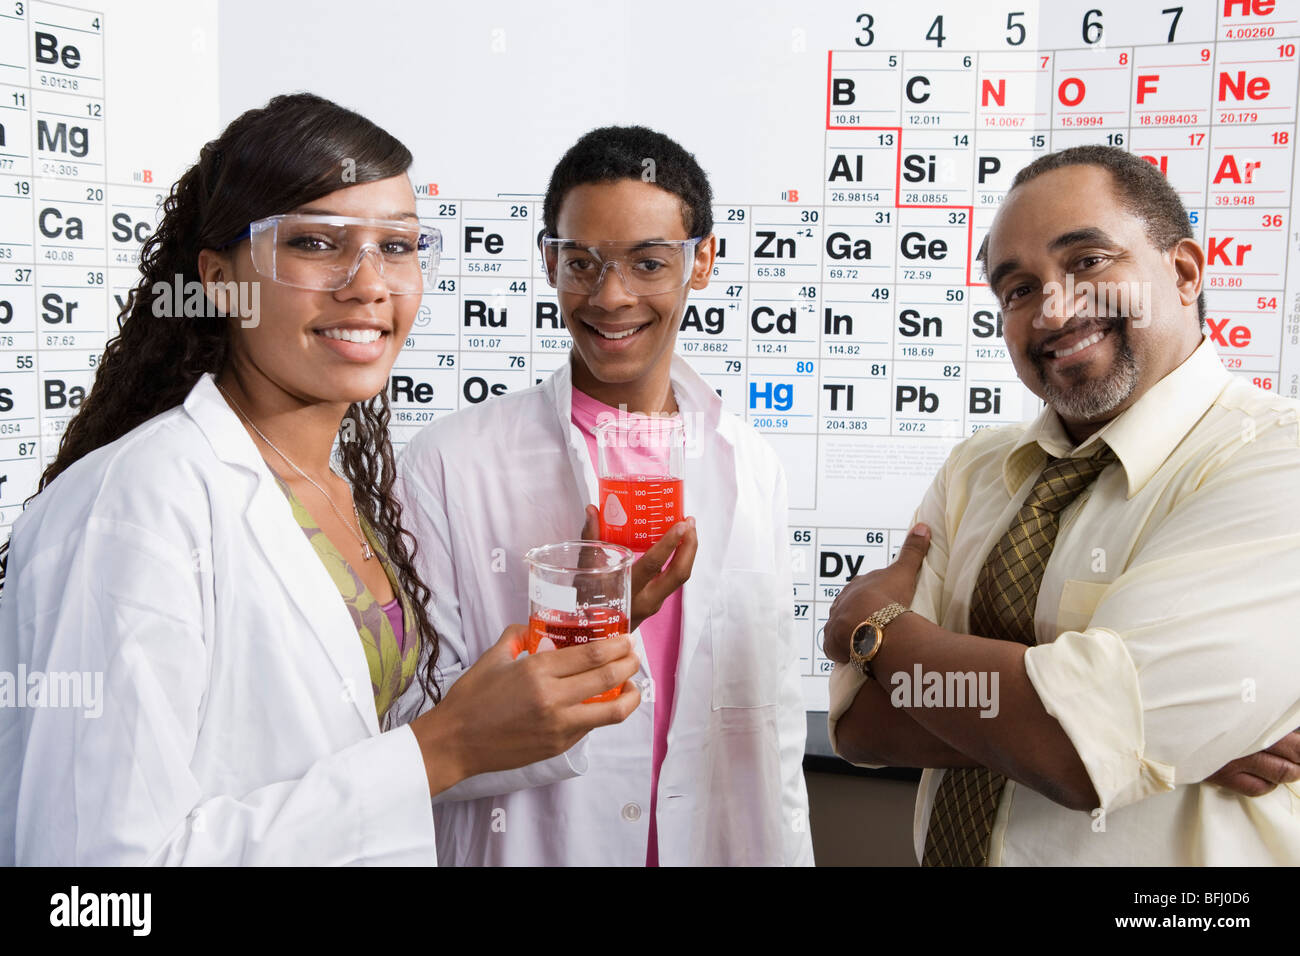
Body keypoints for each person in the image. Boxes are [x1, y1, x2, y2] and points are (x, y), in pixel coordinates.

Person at [0, 93, 644, 865]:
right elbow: (97, 877)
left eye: (398, 246)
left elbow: (362, 746)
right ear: (218, 278)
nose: (369, 284)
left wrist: (539, 683)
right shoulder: (138, 504)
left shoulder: (342, 490)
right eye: (315, 242)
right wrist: (441, 748)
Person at [824, 145, 1300, 866]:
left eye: (1087, 262)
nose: (1053, 308)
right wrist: (1149, 742)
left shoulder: (1275, 458)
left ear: (1183, 272)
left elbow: (1071, 747)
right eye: (1017, 289)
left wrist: (877, 632)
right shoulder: (976, 470)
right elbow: (862, 723)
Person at [396, 126, 814, 866]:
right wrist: (582, 627)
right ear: (550, 262)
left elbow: (773, 727)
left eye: (648, 263)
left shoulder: (752, 467)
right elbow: (418, 734)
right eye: (581, 263)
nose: (610, 296)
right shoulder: (449, 463)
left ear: (703, 261)